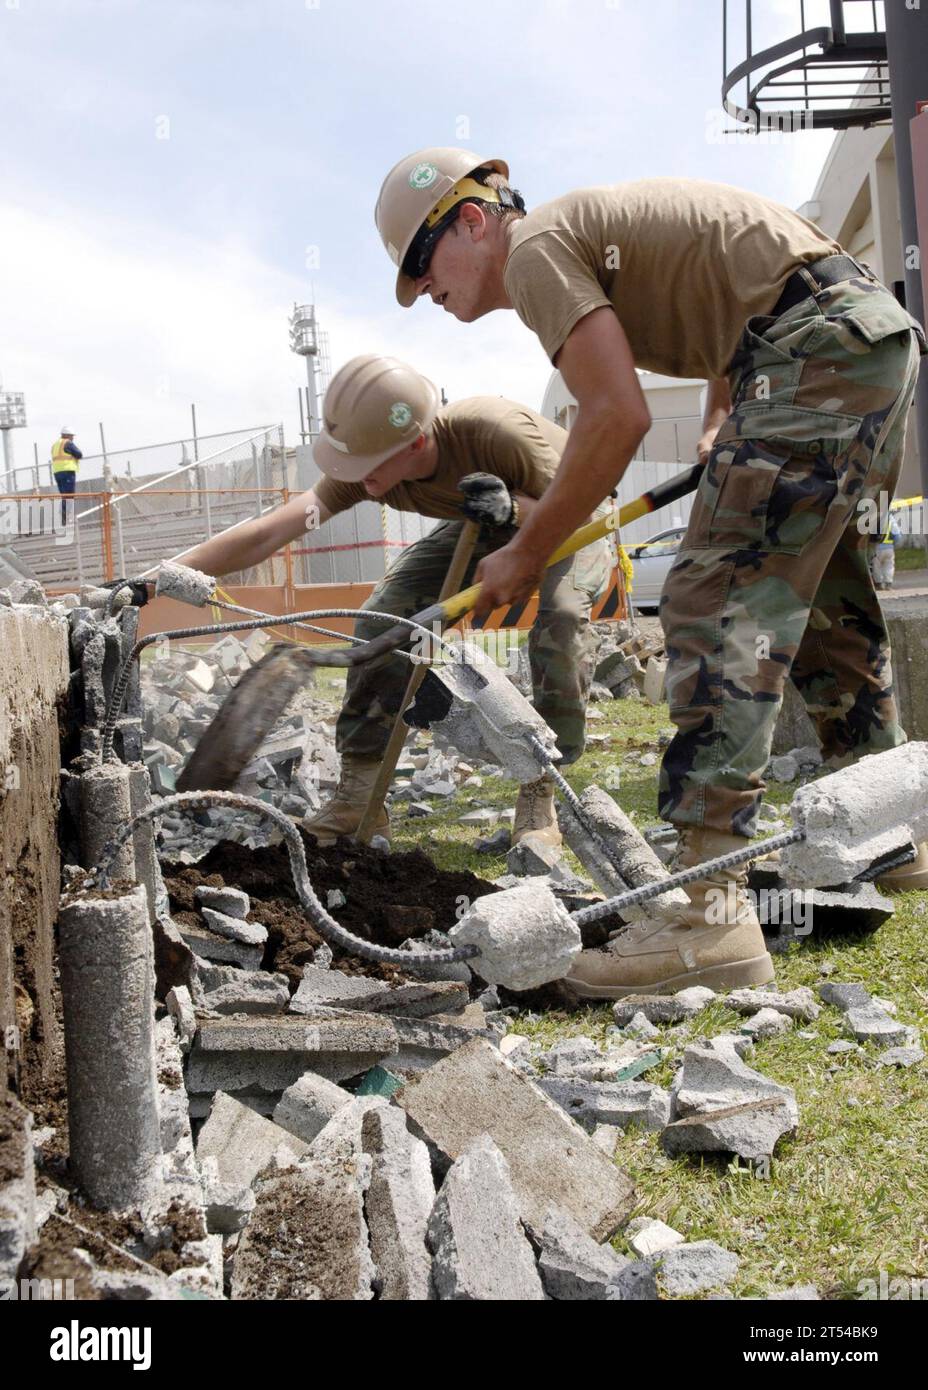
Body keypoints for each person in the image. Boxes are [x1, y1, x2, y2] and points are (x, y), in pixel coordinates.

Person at [374, 146, 928, 997]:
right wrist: (723, 419)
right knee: (819, 600)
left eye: (422, 266)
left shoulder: (534, 253)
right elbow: (738, 302)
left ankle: (707, 917)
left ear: (474, 220)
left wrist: (525, 549)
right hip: (864, 338)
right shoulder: (592, 233)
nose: (424, 294)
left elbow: (616, 415)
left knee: (713, 600)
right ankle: (890, 835)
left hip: (814, 348)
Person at [176, 353, 611, 845]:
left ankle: (541, 790)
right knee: (381, 622)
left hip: (574, 515)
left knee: (563, 621)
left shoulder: (495, 434)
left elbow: (572, 508)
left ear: (417, 442)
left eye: (365, 468)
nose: (356, 478)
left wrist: (513, 509)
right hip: (484, 518)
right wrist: (164, 575)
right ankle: (359, 800)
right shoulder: (364, 460)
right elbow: (268, 533)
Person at [51, 428, 82, 524]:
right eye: (71, 436)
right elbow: (79, 454)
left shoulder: (55, 445)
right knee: (69, 495)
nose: (72, 438)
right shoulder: (67, 443)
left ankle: (64, 517)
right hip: (67, 472)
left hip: (57, 472)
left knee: (64, 495)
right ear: (67, 435)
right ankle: (67, 517)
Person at [870, 511, 902, 590]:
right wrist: (893, 544)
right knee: (889, 566)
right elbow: (897, 535)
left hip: (876, 548)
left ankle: (879, 584)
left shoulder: (874, 518)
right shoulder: (891, 520)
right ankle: (888, 584)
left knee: (876, 567)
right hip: (889, 548)